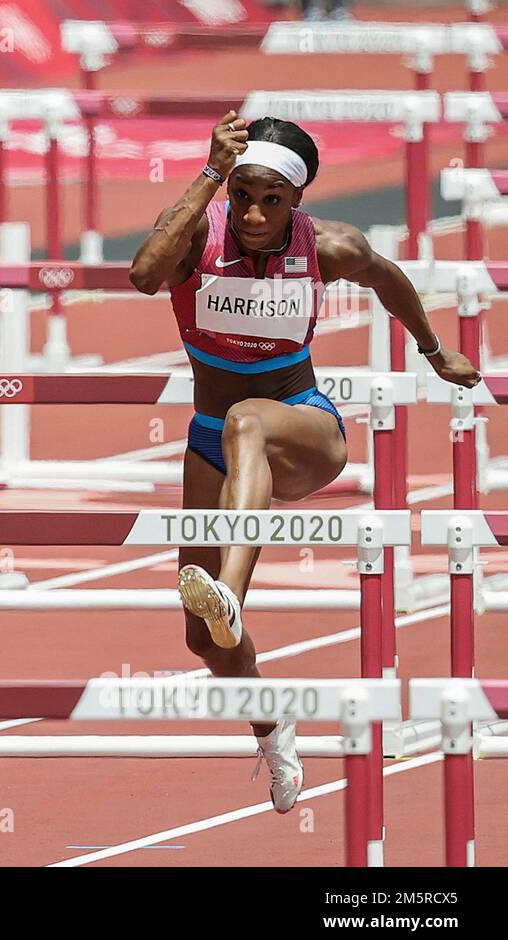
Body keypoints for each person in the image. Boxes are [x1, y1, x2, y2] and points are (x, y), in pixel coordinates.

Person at [129, 111, 480, 812]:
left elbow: (390, 280)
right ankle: (271, 723)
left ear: (298, 202)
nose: (255, 215)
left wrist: (433, 349)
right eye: (243, 194)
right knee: (205, 641)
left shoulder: (330, 248)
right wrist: (207, 176)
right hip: (211, 438)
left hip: (306, 430)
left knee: (248, 420)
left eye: (272, 201)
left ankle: (228, 585)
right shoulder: (202, 232)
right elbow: (143, 274)